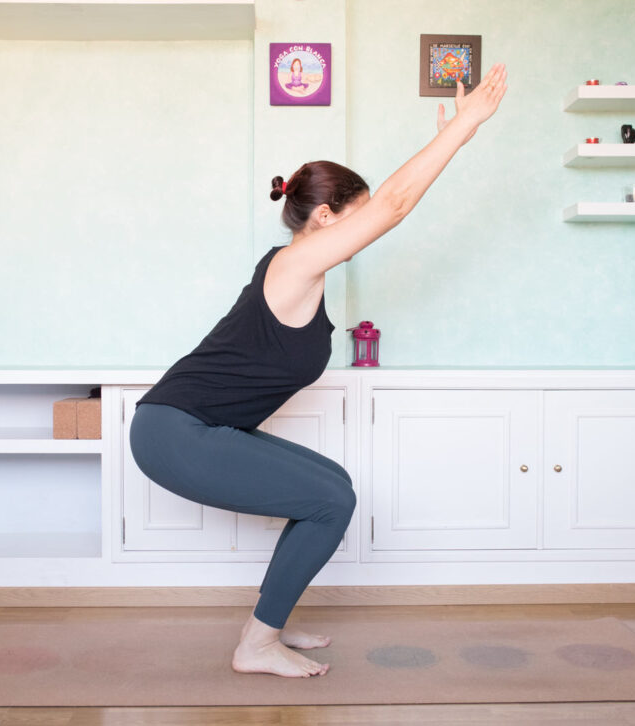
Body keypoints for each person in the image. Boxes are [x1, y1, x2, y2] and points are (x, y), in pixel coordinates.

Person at [129, 63, 508, 679]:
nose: (364, 228)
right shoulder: (295, 263)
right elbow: (394, 204)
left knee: (331, 483)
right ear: (327, 216)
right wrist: (461, 130)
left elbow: (382, 207)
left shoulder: (300, 269)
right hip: (173, 432)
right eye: (353, 217)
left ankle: (271, 619)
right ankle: (256, 645)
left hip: (193, 426)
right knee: (330, 500)